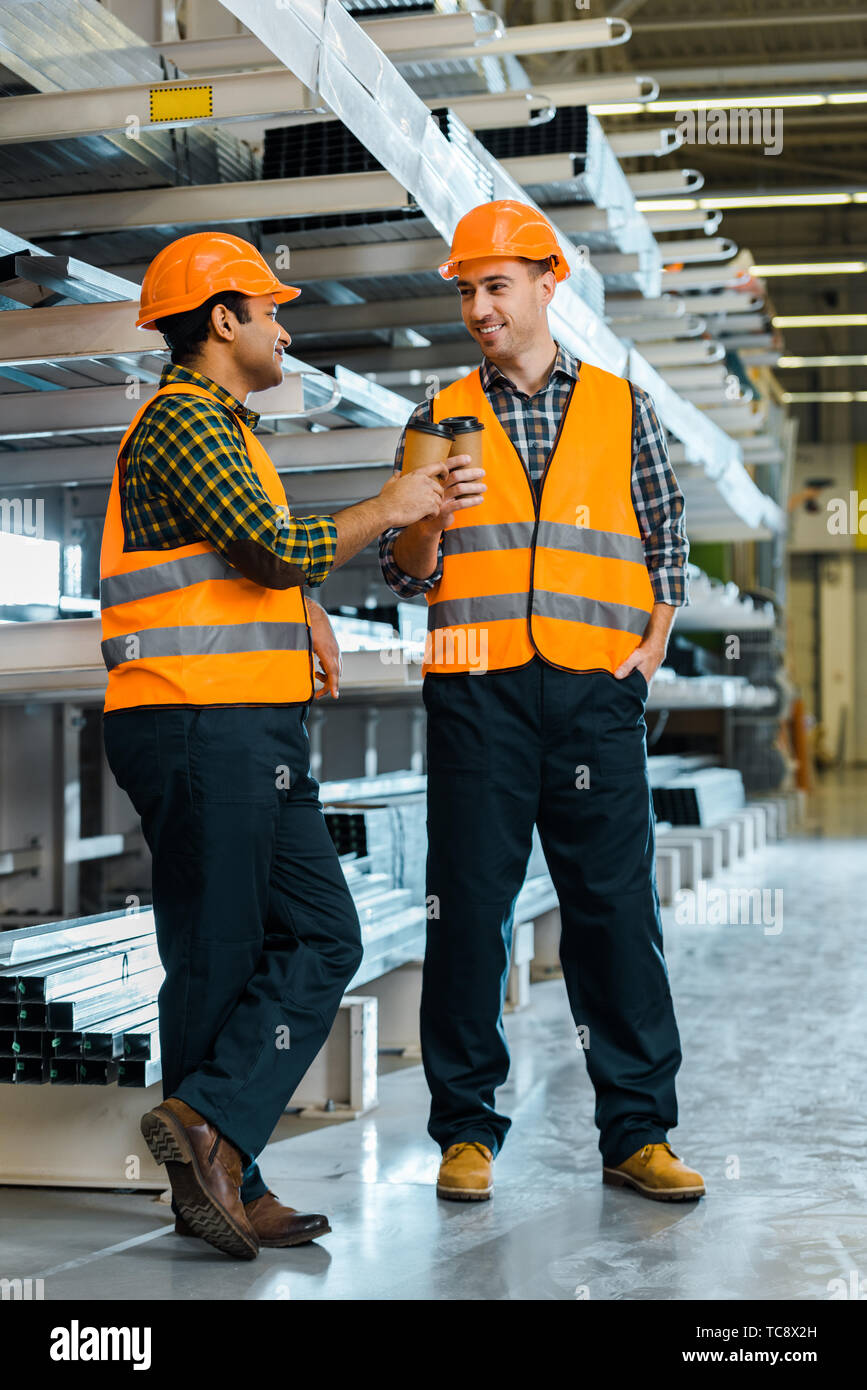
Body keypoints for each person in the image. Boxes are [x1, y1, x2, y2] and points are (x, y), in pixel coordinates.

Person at [100, 231, 445, 1258]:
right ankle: (219, 1171)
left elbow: (262, 564)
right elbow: (275, 545)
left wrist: (304, 610)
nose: (285, 326)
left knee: (321, 934)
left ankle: (212, 1130)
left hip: (253, 721)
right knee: (214, 957)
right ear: (222, 320)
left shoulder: (229, 429)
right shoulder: (181, 422)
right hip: (197, 718)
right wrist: (390, 505)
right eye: (271, 309)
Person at [379, 200, 704, 1204]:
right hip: (478, 693)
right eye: (468, 292)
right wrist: (431, 514)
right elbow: (407, 572)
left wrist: (647, 656)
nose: (479, 308)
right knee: (470, 910)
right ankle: (466, 1131)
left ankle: (637, 1131)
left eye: (496, 286)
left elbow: (666, 537)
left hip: (593, 693)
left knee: (614, 910)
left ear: (546, 282)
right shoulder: (436, 417)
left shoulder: (616, 404)